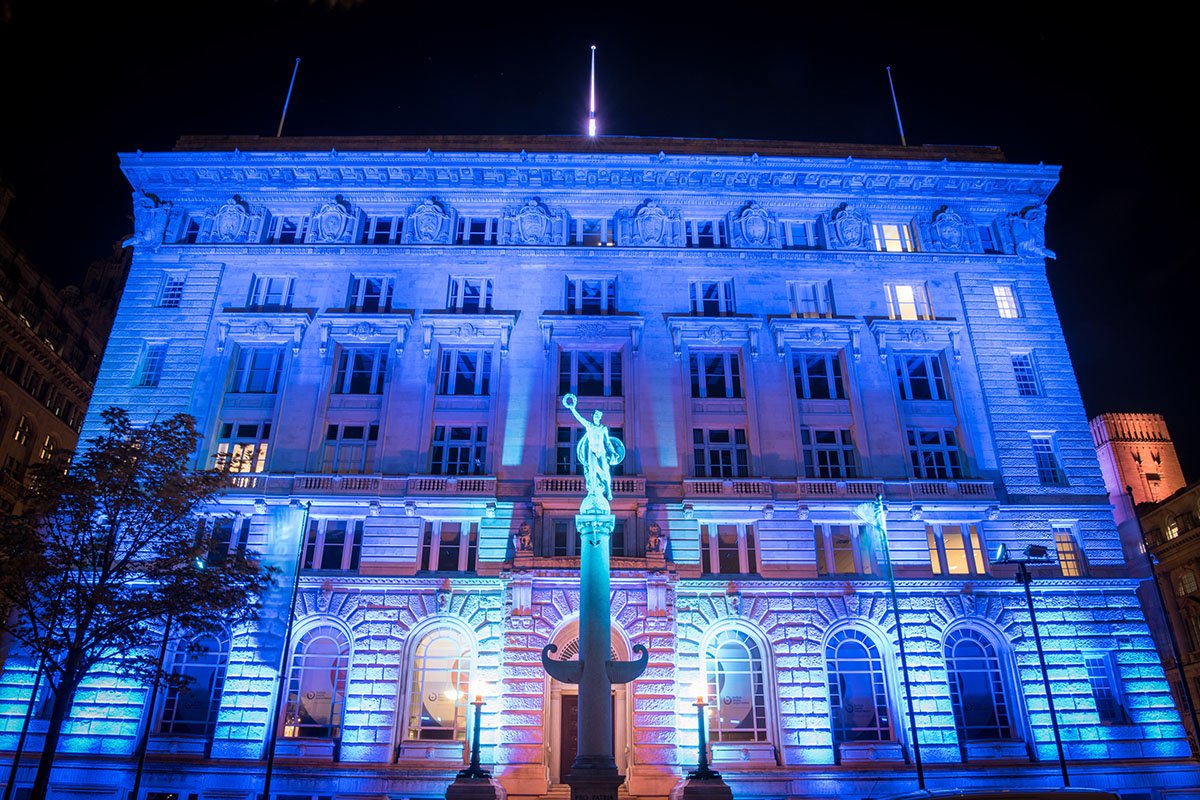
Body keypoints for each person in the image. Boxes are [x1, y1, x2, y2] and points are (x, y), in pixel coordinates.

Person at [562, 393, 625, 514]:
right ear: (593, 416)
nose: (596, 417)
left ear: (600, 417)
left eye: (598, 415)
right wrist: (572, 408)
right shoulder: (589, 426)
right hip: (592, 450)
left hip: (601, 451)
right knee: (592, 470)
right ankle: (592, 492)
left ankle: (608, 490)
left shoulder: (603, 429)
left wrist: (613, 452)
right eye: (595, 415)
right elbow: (579, 418)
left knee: (605, 470)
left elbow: (607, 442)